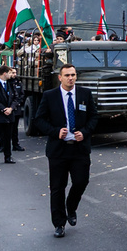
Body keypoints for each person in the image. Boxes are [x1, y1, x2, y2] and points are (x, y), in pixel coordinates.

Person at [32, 64, 98, 238]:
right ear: (60, 77)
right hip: (58, 150)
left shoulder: (85, 94)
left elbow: (94, 117)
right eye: (67, 75)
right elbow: (38, 119)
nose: (71, 78)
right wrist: (55, 132)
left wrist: (84, 132)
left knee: (81, 181)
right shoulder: (50, 96)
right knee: (57, 188)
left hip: (79, 149)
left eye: (73, 75)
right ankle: (59, 224)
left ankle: (71, 206)